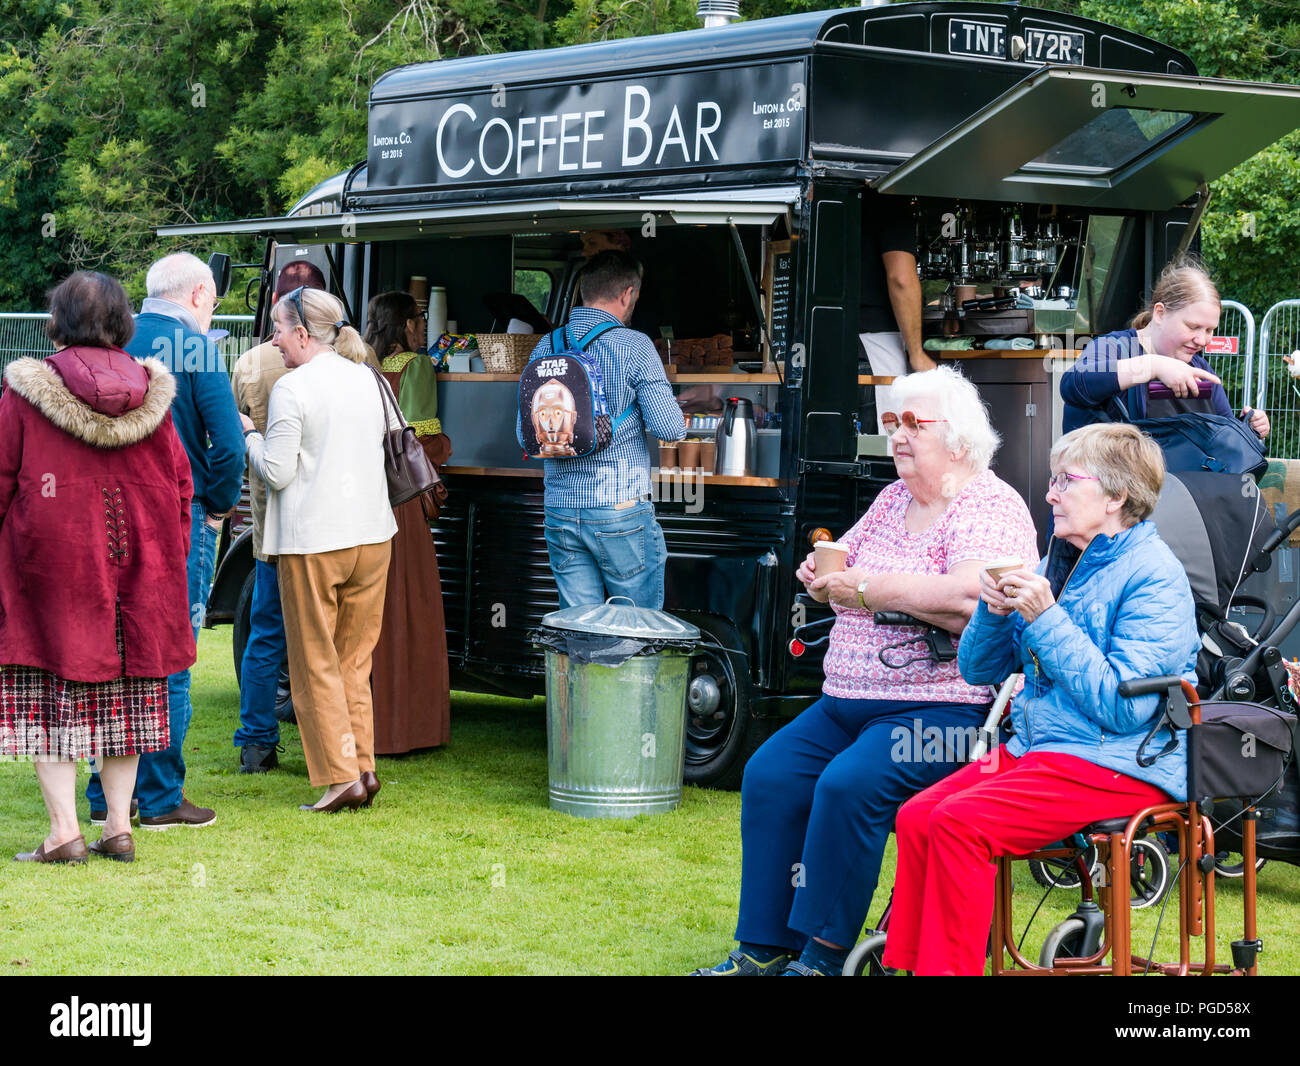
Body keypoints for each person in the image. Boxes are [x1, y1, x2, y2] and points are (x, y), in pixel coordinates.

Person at [691, 366, 1038, 976]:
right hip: (849, 700)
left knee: (848, 786)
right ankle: (763, 947)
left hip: (947, 709)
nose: (897, 436)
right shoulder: (893, 498)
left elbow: (969, 598)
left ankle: (822, 956)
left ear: (957, 437)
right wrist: (822, 574)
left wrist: (870, 588)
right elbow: (845, 561)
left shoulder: (990, 504)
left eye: (913, 424)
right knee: (771, 773)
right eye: (891, 424)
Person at [881, 423, 1200, 977]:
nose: (1049, 493)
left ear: (1116, 496)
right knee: (918, 816)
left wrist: (1047, 619)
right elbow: (979, 670)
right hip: (1046, 750)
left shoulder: (1155, 576)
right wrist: (992, 610)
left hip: (1120, 761)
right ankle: (908, 965)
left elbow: (1124, 708)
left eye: (1065, 481)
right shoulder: (1063, 559)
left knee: (959, 823)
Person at [2, 272, 194, 864]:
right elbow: (182, 487)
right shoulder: (154, 397)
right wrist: (164, 555)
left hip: (49, 573)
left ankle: (65, 834)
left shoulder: (22, 396)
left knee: (47, 696)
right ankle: (117, 827)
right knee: (131, 697)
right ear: (122, 323)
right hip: (140, 575)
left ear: (57, 321)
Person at [85, 251, 244, 830]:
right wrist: (218, 506)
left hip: (105, 515)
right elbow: (227, 443)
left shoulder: (108, 343)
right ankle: (158, 798)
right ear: (200, 295)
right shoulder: (197, 349)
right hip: (180, 514)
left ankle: (105, 796)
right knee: (169, 656)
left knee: (110, 652)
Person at [241, 286, 397, 812]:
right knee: (354, 661)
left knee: (315, 664)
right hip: (374, 535)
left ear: (303, 334)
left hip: (314, 539)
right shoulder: (369, 378)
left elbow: (278, 473)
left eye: (280, 330)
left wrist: (250, 438)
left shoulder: (293, 388)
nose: (275, 341)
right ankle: (363, 768)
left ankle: (338, 778)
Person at [520, 249, 686, 610]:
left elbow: (524, 435)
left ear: (583, 290)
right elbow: (668, 427)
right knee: (634, 628)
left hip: (560, 509)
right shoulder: (635, 345)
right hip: (619, 509)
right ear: (627, 294)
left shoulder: (545, 346)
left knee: (581, 627)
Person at [228, 260, 326, 773]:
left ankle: (256, 743)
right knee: (330, 638)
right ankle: (330, 743)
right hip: (332, 524)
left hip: (272, 524)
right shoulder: (353, 357)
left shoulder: (249, 364)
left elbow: (232, 434)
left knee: (267, 634)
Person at [362, 290, 453, 755]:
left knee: (373, 613)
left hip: (366, 499)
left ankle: (372, 723)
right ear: (405, 325)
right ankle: (410, 725)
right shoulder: (416, 367)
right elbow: (419, 438)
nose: (422, 327)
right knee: (410, 607)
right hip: (401, 503)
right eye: (418, 319)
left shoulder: (362, 366)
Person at [1060, 258, 1270, 439]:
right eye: (1193, 326)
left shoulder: (1199, 367)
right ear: (1160, 313)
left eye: (1209, 330)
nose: (1202, 340)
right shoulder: (1113, 347)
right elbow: (1072, 386)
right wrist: (1152, 365)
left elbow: (1221, 435)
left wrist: (1247, 428)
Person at [859, 190, 937, 434]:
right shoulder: (890, 200)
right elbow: (901, 277)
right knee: (885, 449)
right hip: (874, 347)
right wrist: (917, 353)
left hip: (816, 345)